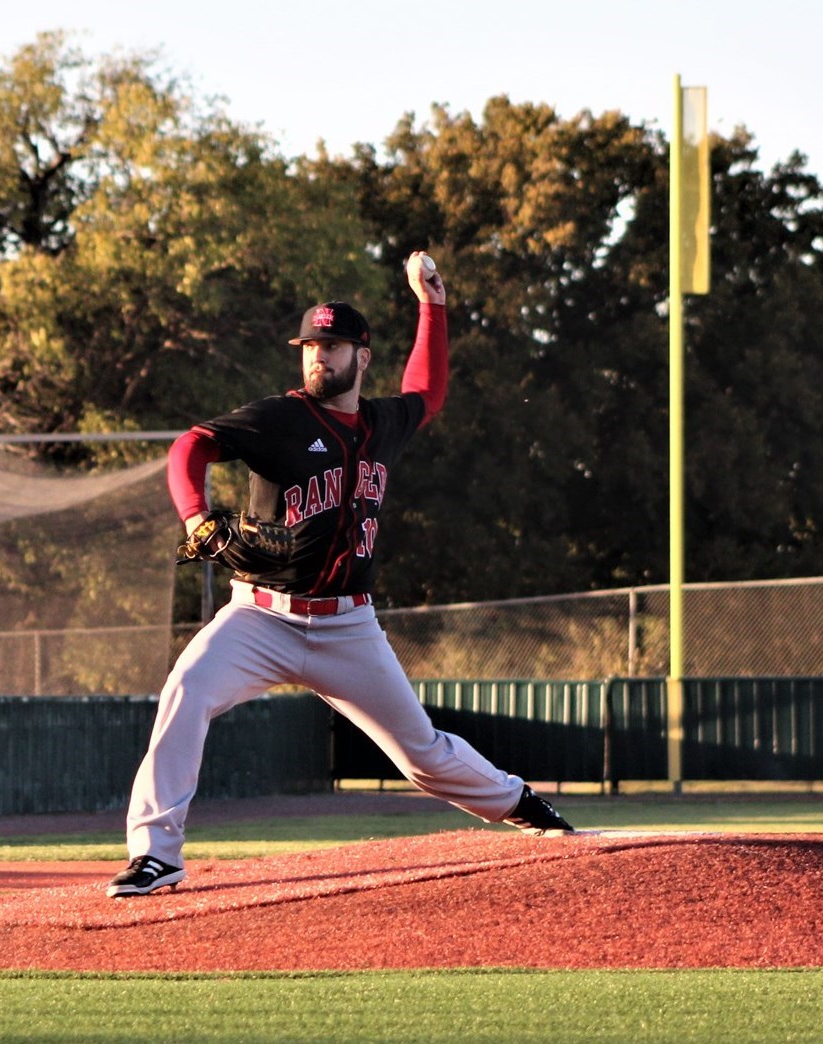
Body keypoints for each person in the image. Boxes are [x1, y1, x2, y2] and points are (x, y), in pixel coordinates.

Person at [108, 252, 575, 898]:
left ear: (362, 356)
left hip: (348, 625)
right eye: (310, 346)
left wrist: (432, 306)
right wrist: (194, 517)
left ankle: (528, 809)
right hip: (261, 615)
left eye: (331, 346)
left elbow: (427, 393)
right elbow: (190, 446)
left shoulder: (382, 425)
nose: (317, 357)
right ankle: (156, 855)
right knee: (186, 691)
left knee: (424, 755)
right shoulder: (280, 419)